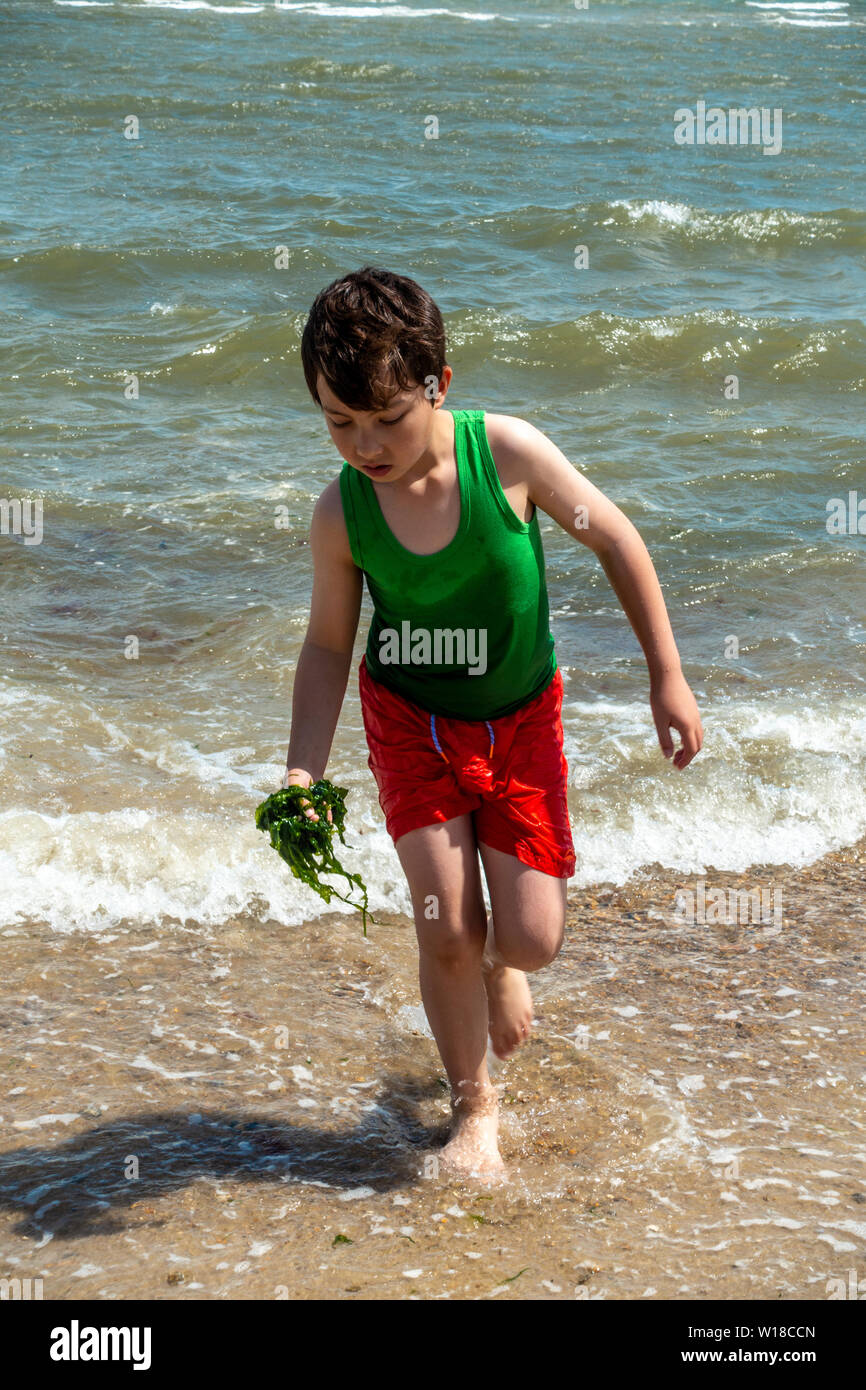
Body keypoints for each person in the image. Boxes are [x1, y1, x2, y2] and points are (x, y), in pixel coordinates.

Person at [282, 265, 703, 1179]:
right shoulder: (341, 514)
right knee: (445, 927)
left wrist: (665, 676)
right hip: (410, 723)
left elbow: (615, 538)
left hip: (518, 719)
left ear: (438, 384)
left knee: (531, 938)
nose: (365, 445)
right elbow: (324, 649)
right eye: (337, 422)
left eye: (387, 418)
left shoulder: (507, 456)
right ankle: (476, 1111)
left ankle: (499, 963)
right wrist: (302, 775)